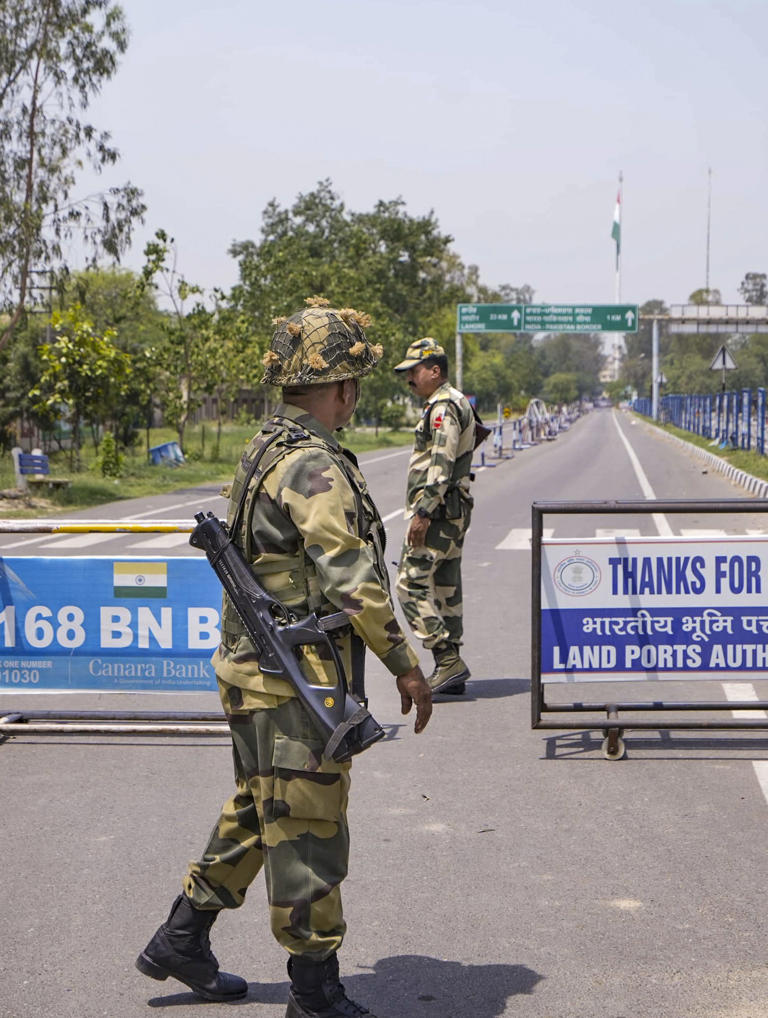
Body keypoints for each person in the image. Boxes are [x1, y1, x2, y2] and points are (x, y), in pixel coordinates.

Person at [136, 299, 432, 1018]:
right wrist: (405, 662)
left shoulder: (266, 444)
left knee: (261, 809)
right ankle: (315, 993)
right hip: (290, 682)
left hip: (253, 671)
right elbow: (350, 576)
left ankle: (182, 937)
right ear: (343, 388)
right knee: (306, 827)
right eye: (355, 382)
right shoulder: (309, 464)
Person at [394, 337, 476, 696]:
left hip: (440, 512)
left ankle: (446, 659)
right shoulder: (451, 402)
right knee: (445, 585)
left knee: (409, 583)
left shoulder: (444, 406)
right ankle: (452, 666)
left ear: (435, 370)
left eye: (414, 371)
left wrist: (423, 512)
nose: (409, 379)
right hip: (452, 510)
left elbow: (441, 464)